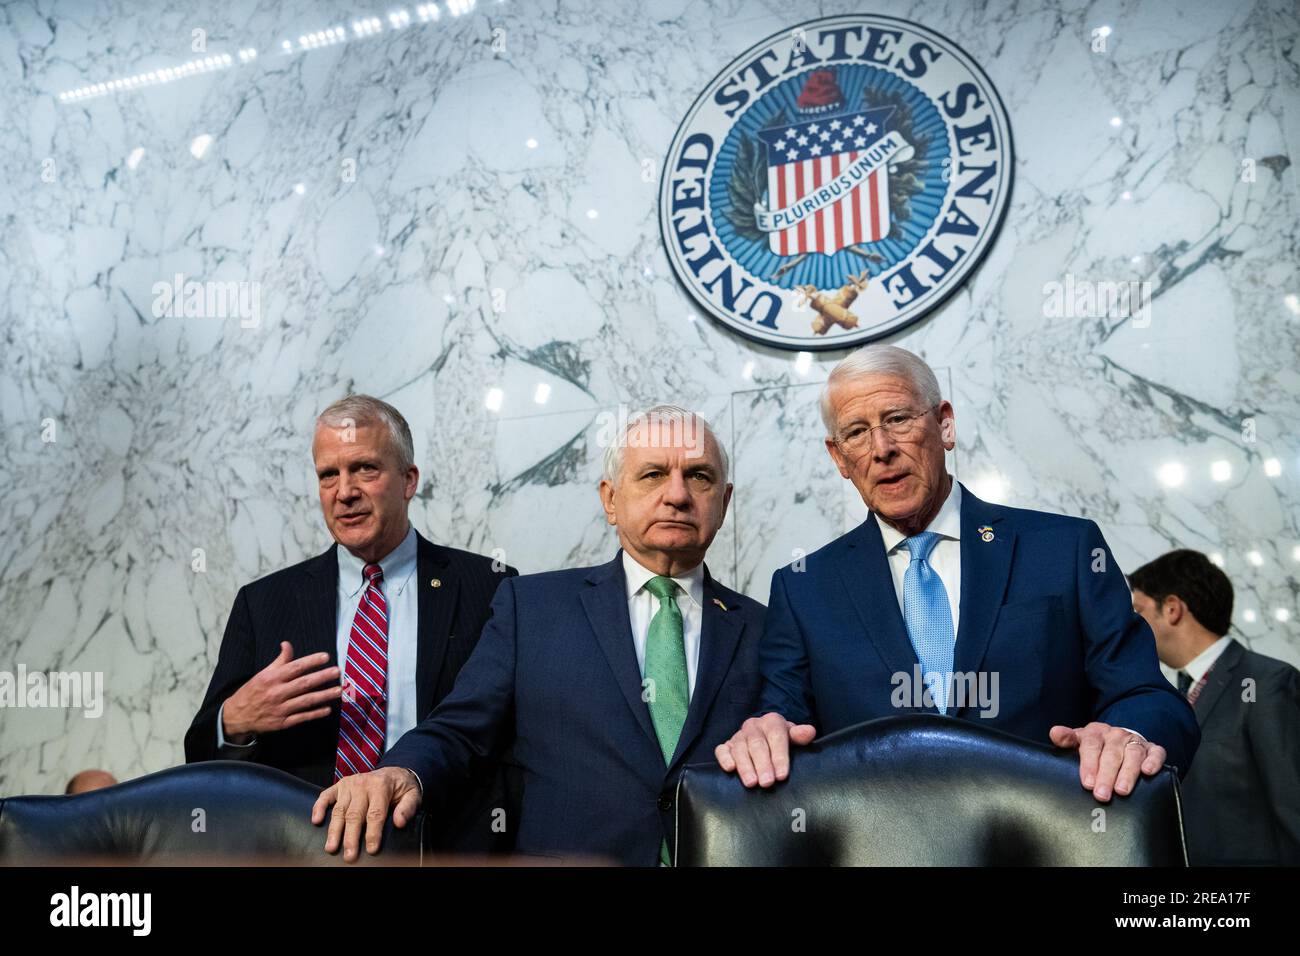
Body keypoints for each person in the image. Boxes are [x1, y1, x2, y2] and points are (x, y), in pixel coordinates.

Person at [715, 344, 1199, 804]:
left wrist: (1128, 737)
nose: (880, 448)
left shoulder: (1064, 549)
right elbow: (781, 715)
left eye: (897, 419)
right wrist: (765, 730)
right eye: (856, 433)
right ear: (839, 458)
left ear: (945, 425)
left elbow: (1146, 696)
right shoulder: (803, 587)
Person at [311, 405, 764, 865]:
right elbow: (461, 728)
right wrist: (400, 771)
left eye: (699, 477)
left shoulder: (766, 629)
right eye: (652, 475)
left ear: (724, 503)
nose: (677, 495)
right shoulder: (530, 608)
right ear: (610, 499)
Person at [185, 395, 515, 846]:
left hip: (444, 846)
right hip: (305, 849)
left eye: (365, 469)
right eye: (328, 475)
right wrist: (234, 721)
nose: (344, 492)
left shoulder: (489, 587)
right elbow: (200, 755)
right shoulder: (264, 603)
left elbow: (505, 731)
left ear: (408, 480)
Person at [1131, 549, 1300, 864]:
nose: (1129, 626)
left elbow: (1294, 811)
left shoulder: (1267, 683)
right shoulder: (1170, 694)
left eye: (1138, 611)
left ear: (1171, 609)